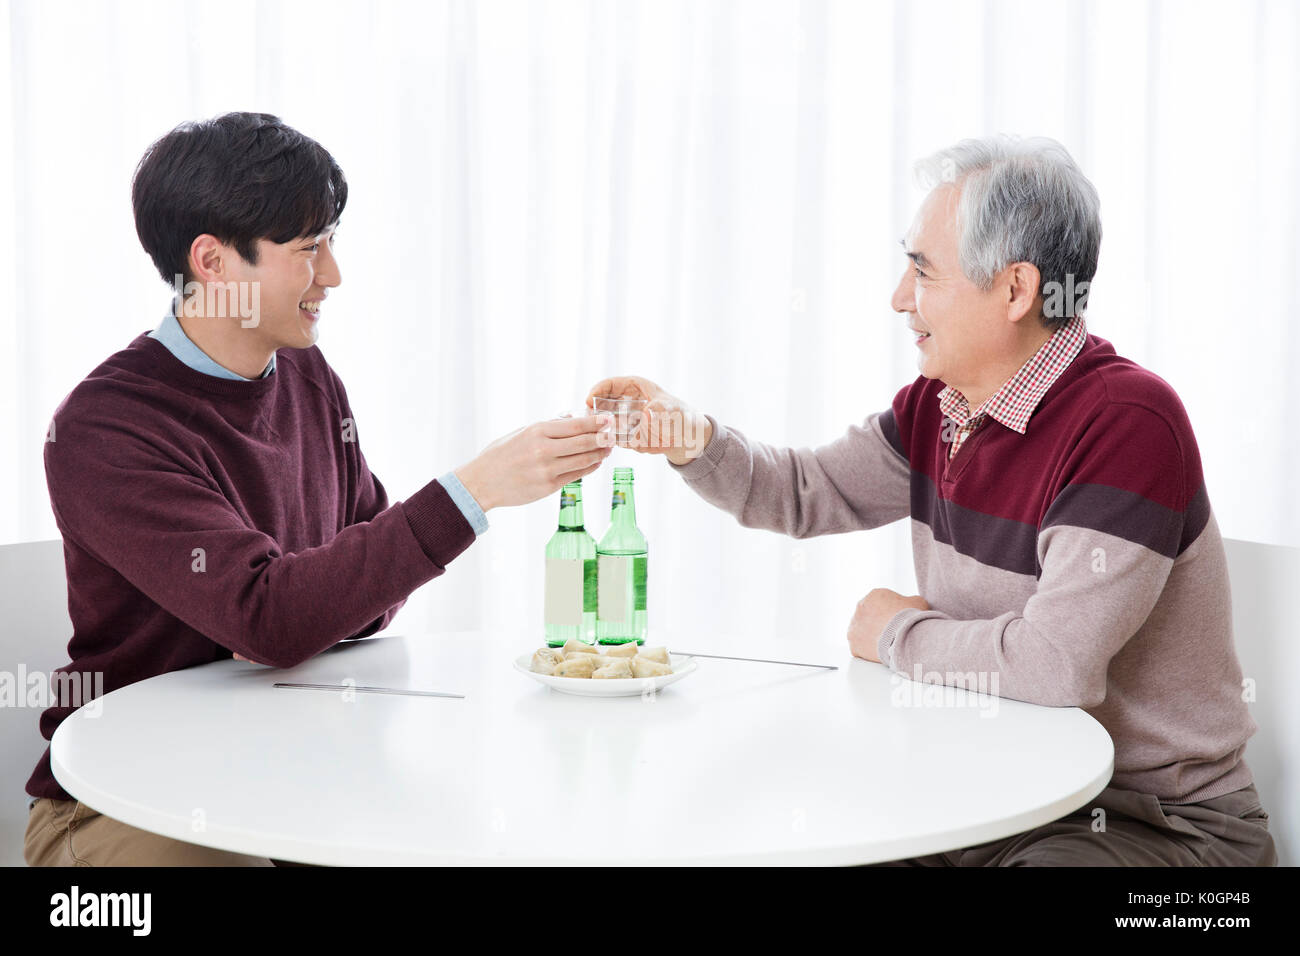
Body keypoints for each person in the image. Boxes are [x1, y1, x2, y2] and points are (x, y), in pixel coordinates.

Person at [588, 135, 1277, 866]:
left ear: (1015, 290)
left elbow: (1053, 667)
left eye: (922, 270)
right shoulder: (939, 408)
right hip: (987, 799)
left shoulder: (1127, 424)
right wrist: (691, 436)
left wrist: (896, 634)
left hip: (1155, 828)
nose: (897, 299)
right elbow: (804, 493)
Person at [24, 111, 613, 866]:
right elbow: (269, 619)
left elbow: (357, 597)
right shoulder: (107, 427)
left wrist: (342, 587)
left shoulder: (305, 373)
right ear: (211, 261)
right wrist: (474, 490)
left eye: (330, 243)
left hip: (290, 772)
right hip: (126, 804)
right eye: (308, 249)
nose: (331, 275)